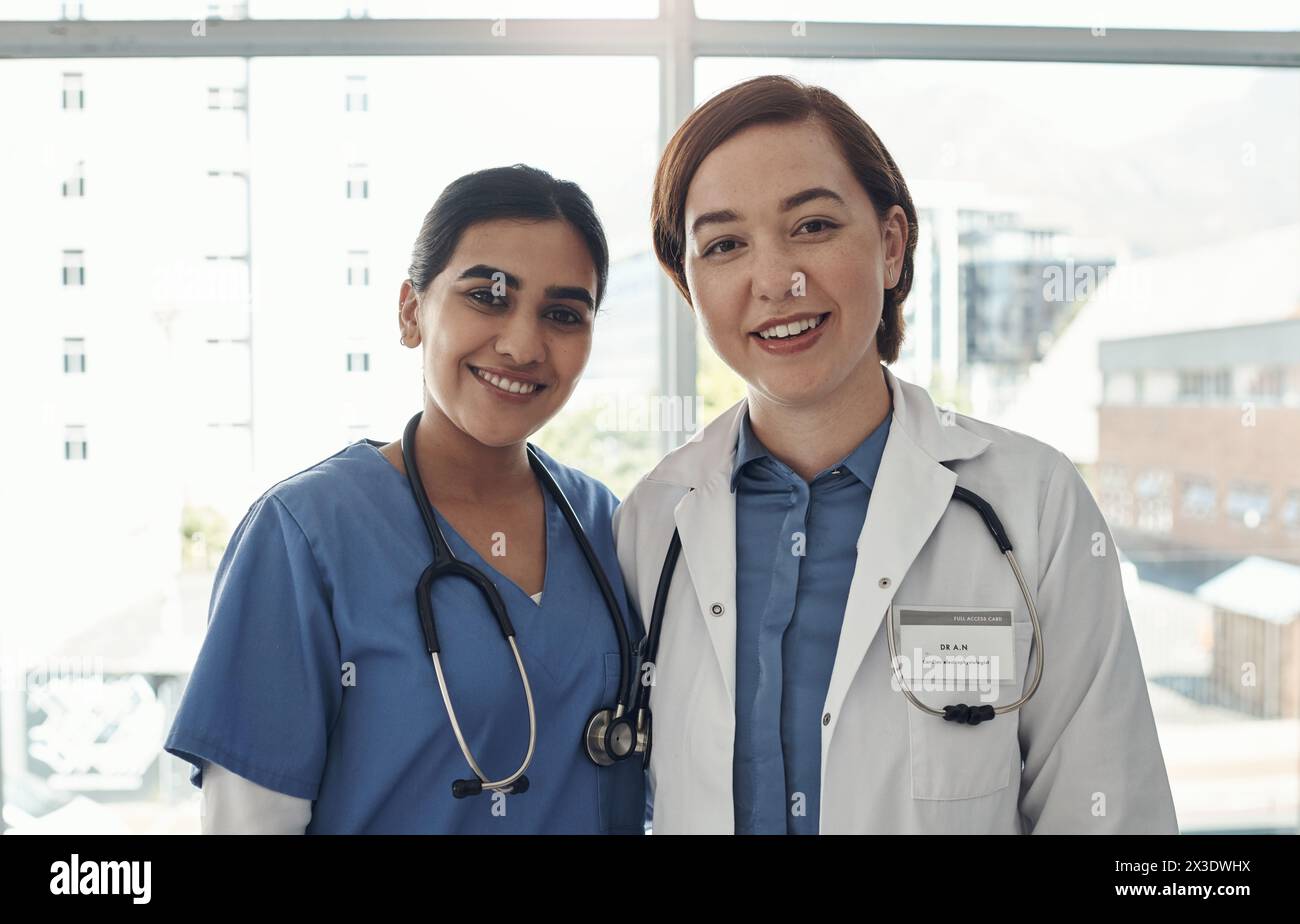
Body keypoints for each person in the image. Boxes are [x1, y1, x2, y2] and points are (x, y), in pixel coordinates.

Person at [614, 75, 1179, 834]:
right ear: (688, 283)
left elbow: (1114, 818)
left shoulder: (1032, 502)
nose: (776, 279)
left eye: (812, 226)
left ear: (889, 244)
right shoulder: (653, 521)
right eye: (723, 245)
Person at [165, 164, 645, 834]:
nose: (522, 344)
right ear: (410, 310)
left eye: (563, 314)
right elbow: (250, 822)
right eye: (488, 296)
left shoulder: (611, 525)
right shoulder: (304, 535)